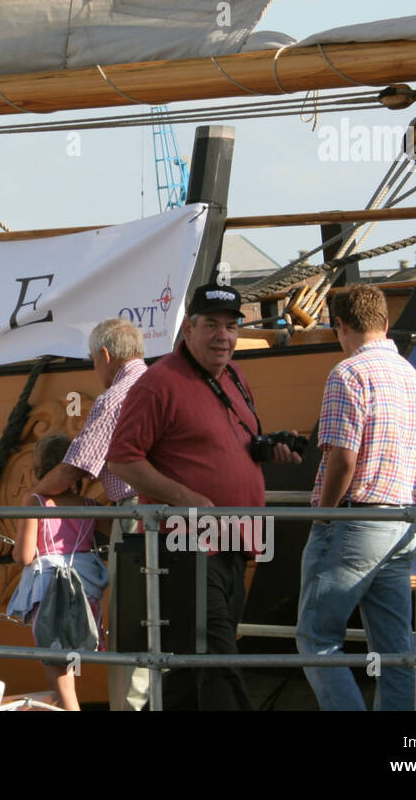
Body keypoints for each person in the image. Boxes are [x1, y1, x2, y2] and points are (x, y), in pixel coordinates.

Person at [106, 283, 300, 710]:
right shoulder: (159, 384)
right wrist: (187, 498)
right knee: (216, 660)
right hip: (187, 543)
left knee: (191, 668)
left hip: (235, 541)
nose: (223, 336)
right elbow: (121, 459)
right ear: (188, 329)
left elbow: (232, 444)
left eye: (231, 327)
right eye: (211, 325)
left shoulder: (233, 377)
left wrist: (269, 449)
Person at [295, 285, 416, 711]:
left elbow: (342, 457)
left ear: (339, 325)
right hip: (403, 524)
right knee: (396, 646)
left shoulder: (348, 373)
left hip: (353, 521)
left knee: (315, 638)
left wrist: (324, 516)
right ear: (386, 323)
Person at [32, 317, 149, 710]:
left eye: (92, 361)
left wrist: (33, 496)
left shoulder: (116, 397)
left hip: (137, 516)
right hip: (183, 516)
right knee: (167, 618)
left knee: (131, 623)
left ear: (104, 355)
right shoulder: (161, 385)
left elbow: (75, 468)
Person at [8, 433, 108, 710]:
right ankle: (68, 703)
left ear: (40, 468)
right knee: (72, 651)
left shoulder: (36, 504)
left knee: (53, 656)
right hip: (85, 585)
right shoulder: (92, 507)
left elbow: (24, 556)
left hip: (49, 587)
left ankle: (70, 707)